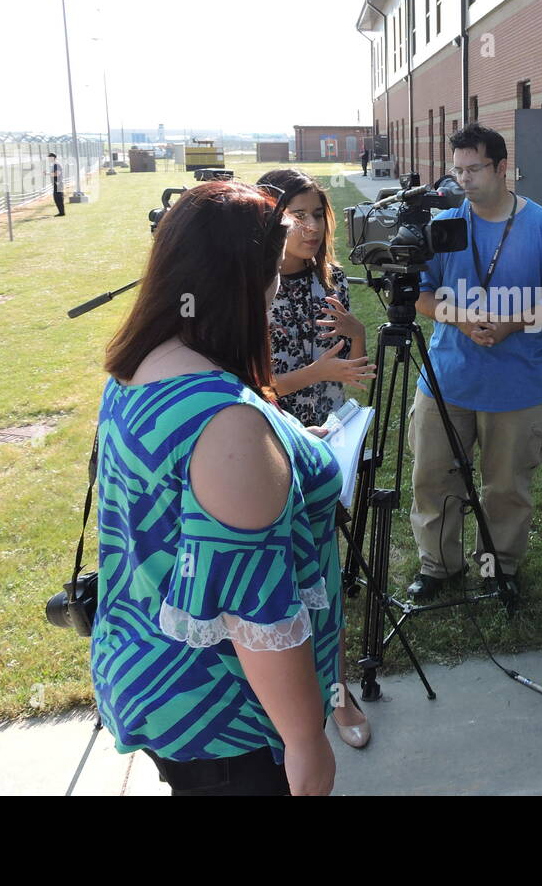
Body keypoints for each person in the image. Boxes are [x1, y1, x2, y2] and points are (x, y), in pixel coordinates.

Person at [92, 180, 341, 796]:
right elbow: (254, 614)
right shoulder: (226, 426)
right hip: (234, 726)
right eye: (272, 267)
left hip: (149, 674)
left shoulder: (138, 366)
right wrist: (307, 742)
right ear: (238, 282)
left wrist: (276, 443)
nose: (279, 281)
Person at [407, 123, 542, 602]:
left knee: (506, 487)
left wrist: (509, 324)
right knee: (432, 479)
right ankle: (439, 566)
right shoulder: (444, 224)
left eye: (474, 169)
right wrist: (461, 319)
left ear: (502, 167)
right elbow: (420, 297)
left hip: (516, 387)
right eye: (457, 169)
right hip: (447, 379)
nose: (463, 179)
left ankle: (498, 566)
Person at [256, 168, 375, 749]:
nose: (308, 226)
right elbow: (253, 384)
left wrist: (355, 334)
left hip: (329, 444)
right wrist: (321, 371)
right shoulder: (250, 288)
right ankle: (275, 698)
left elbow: (353, 368)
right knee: (275, 580)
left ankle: (337, 691)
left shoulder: (332, 280)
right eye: (294, 215)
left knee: (325, 576)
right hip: (270, 450)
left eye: (316, 214)